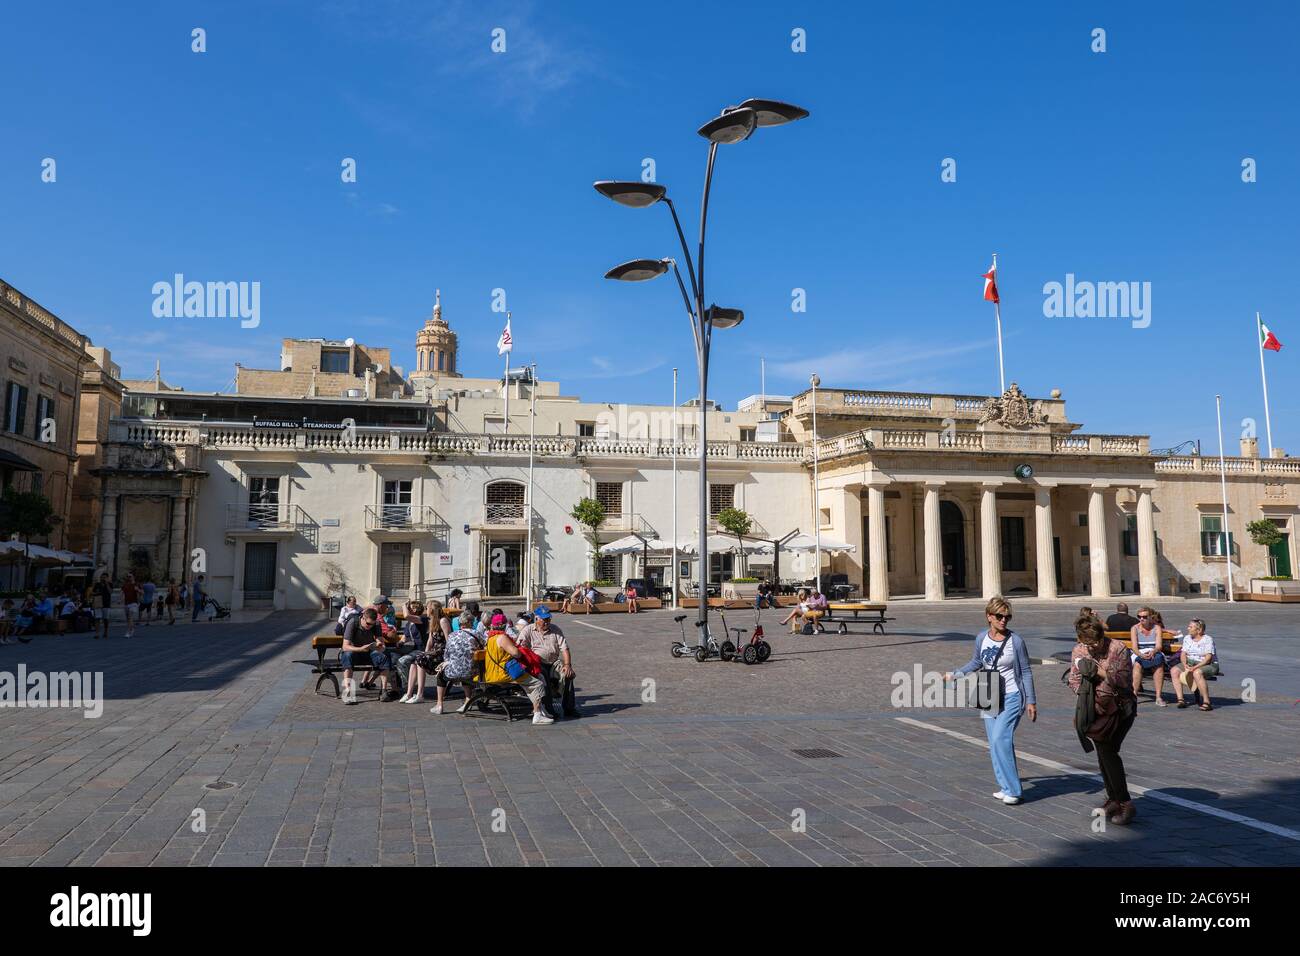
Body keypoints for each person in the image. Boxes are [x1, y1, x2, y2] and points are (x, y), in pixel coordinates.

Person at [944, 596, 1038, 805]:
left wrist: (1031, 700)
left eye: (1008, 616)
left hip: (1013, 695)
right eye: (1000, 616)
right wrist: (956, 674)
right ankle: (1005, 786)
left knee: (1000, 739)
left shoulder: (1016, 641)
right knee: (995, 743)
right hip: (989, 694)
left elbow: (1026, 671)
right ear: (989, 617)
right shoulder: (981, 638)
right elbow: (976, 662)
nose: (1004, 620)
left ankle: (1014, 790)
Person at [1068, 614, 1138, 825]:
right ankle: (1114, 798)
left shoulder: (1117, 648)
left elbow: (1124, 681)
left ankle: (1125, 802)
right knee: (1103, 751)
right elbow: (1073, 679)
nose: (1094, 646)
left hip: (1119, 709)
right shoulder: (1079, 651)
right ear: (1081, 640)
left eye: (1097, 641)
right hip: (1095, 710)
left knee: (1107, 750)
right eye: (1089, 643)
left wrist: (1100, 673)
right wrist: (1085, 691)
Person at [482, 612, 553, 725]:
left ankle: (541, 710)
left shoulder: (491, 637)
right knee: (537, 683)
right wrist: (517, 648)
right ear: (505, 625)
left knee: (536, 678)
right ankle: (537, 715)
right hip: (504, 672)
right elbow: (516, 654)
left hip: (495, 670)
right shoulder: (502, 637)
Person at [517, 605, 579, 719]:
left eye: (548, 619)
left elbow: (564, 648)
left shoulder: (556, 629)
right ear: (537, 619)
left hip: (554, 663)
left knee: (568, 675)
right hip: (537, 663)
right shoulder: (528, 630)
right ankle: (549, 709)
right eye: (544, 619)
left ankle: (569, 708)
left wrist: (567, 665)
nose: (547, 622)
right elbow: (520, 648)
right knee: (543, 676)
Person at [432, 610, 484, 714]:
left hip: (453, 671)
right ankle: (468, 699)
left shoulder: (452, 635)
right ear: (471, 622)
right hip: (471, 671)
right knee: (468, 667)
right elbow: (484, 647)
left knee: (440, 676)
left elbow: (446, 655)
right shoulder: (476, 634)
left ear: (460, 623)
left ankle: (439, 705)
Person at [341, 607, 393, 704]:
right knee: (347, 655)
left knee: (384, 656)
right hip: (354, 652)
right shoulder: (353, 622)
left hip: (368, 652)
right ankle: (348, 692)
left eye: (372, 624)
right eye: (368, 624)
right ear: (363, 618)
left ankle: (384, 691)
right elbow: (345, 646)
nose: (370, 626)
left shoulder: (376, 623)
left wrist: (380, 644)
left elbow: (380, 640)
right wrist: (361, 649)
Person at [401, 600, 449, 704]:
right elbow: (430, 640)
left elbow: (448, 639)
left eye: (427, 608)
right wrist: (426, 652)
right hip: (435, 650)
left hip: (442, 651)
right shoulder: (432, 620)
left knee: (419, 659)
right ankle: (409, 693)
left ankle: (420, 694)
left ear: (432, 609)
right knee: (415, 662)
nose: (426, 610)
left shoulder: (443, 621)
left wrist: (448, 657)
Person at [1170, 618, 1219, 711]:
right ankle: (1180, 700)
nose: (1188, 628)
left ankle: (1206, 702)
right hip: (1190, 662)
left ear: (1199, 630)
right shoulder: (1187, 638)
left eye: (1190, 627)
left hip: (1207, 664)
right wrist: (1185, 665)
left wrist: (1195, 667)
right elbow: (1183, 653)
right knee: (1174, 671)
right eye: (1189, 626)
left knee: (1197, 673)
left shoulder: (1208, 639)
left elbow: (1208, 658)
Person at [1129, 606, 1167, 705]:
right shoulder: (1134, 628)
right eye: (1139, 616)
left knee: (1159, 666)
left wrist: (1153, 652)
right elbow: (1134, 647)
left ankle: (1158, 697)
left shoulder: (1157, 628)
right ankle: (1134, 695)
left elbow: (1159, 646)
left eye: (1145, 617)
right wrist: (1140, 654)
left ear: (1150, 617)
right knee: (1137, 665)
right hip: (1140, 652)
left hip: (1153, 651)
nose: (1142, 619)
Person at [92, 573, 113, 640]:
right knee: (97, 618)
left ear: (107, 578)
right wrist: (96, 593)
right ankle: (97, 633)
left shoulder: (110, 584)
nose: (103, 579)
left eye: (104, 577)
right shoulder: (97, 584)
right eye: (102, 577)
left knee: (105, 619)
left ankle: (105, 631)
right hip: (98, 603)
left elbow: (110, 592)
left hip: (106, 604)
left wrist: (106, 584)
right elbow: (92, 592)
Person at [119, 574, 139, 638]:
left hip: (133, 603)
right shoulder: (125, 585)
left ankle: (128, 631)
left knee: (130, 617)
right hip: (126, 603)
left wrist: (138, 590)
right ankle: (132, 629)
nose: (128, 577)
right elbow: (122, 593)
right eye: (127, 576)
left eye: (130, 576)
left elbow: (142, 592)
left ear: (133, 577)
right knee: (128, 618)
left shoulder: (136, 584)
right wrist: (120, 600)